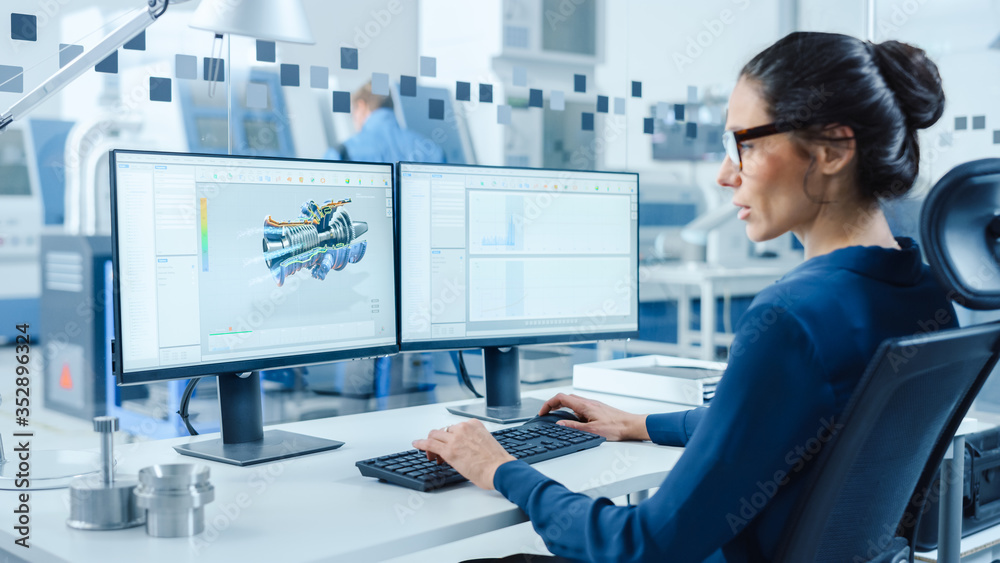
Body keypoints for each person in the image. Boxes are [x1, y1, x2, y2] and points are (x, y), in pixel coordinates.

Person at [413, 32, 956, 562]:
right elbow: (789, 424)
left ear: (834, 150)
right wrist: (642, 424)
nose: (725, 173)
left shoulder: (793, 318)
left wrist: (502, 469)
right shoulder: (925, 295)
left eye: (744, 142)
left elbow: (643, 545)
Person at [324, 81, 446, 164]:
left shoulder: (342, 153)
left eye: (353, 115)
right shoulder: (431, 149)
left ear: (361, 106)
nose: (354, 121)